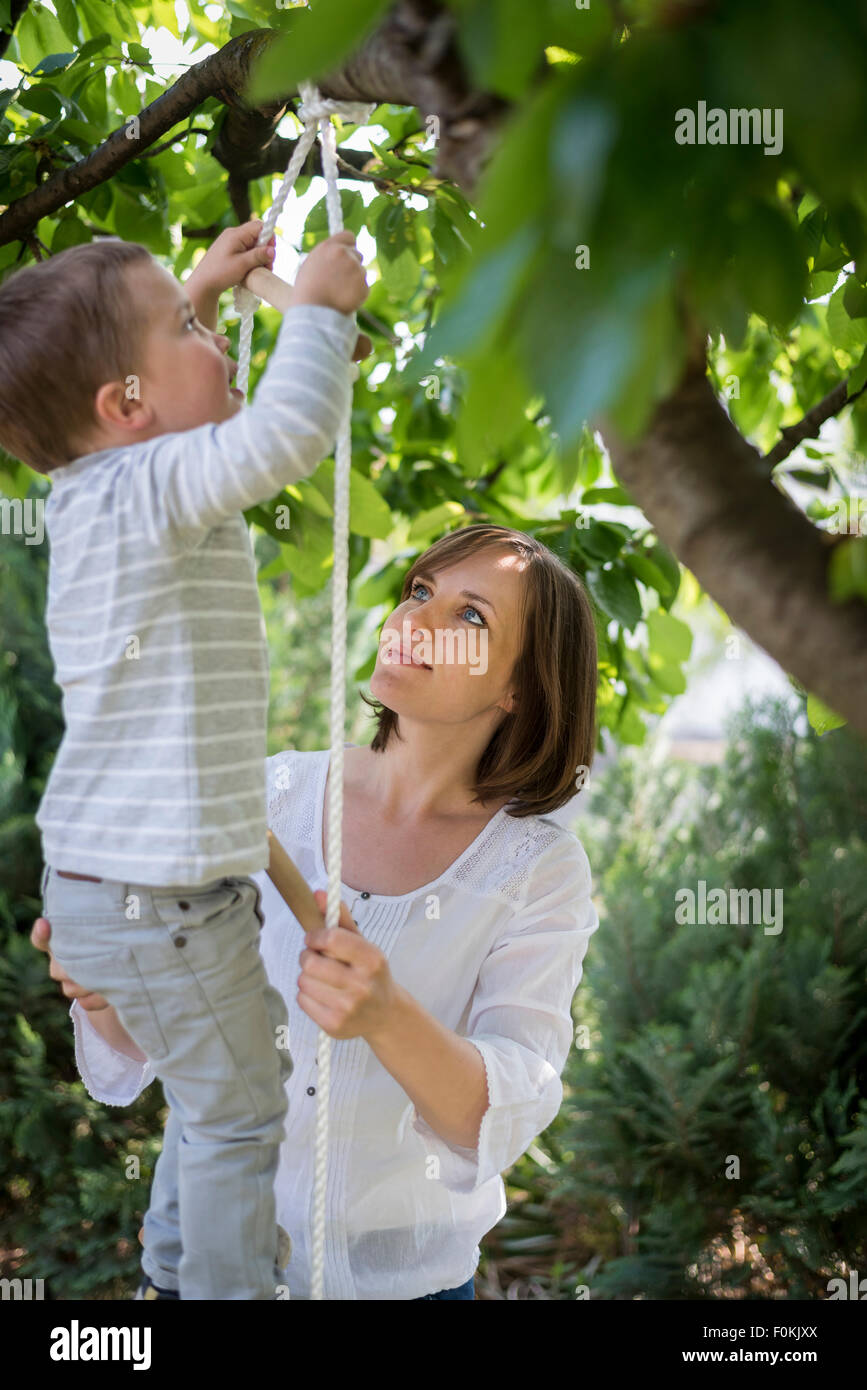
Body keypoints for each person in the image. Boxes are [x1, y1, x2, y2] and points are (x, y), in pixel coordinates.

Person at [32, 523, 602, 1301]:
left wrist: (387, 1014)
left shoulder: (537, 869)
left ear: (520, 688)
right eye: (419, 592)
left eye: (471, 617)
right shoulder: (270, 797)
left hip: (403, 1288)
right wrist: (103, 989)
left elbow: (501, 1112)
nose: (415, 620)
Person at [0, 221, 370, 1299]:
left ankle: (176, 1270)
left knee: (217, 1091)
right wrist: (317, 312)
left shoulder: (103, 495)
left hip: (108, 891)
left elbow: (185, 404)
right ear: (126, 405)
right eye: (187, 329)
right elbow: (286, 433)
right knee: (241, 1111)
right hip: (162, 898)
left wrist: (198, 294)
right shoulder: (159, 489)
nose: (211, 337)